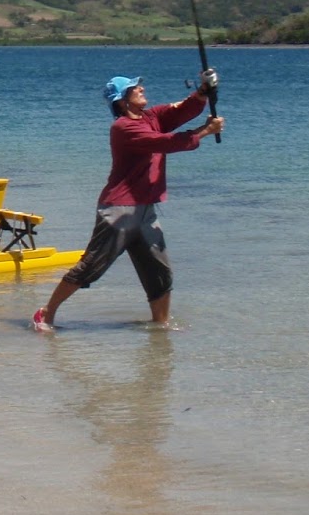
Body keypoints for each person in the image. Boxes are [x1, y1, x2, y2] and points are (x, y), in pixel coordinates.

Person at [32, 70, 223, 332]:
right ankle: (46, 313)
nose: (141, 88)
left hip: (146, 210)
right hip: (119, 209)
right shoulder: (124, 128)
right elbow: (166, 143)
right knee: (92, 267)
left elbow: (182, 111)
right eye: (135, 88)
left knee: (160, 273)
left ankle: (160, 327)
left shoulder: (152, 117)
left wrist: (203, 91)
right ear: (123, 101)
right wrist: (204, 131)